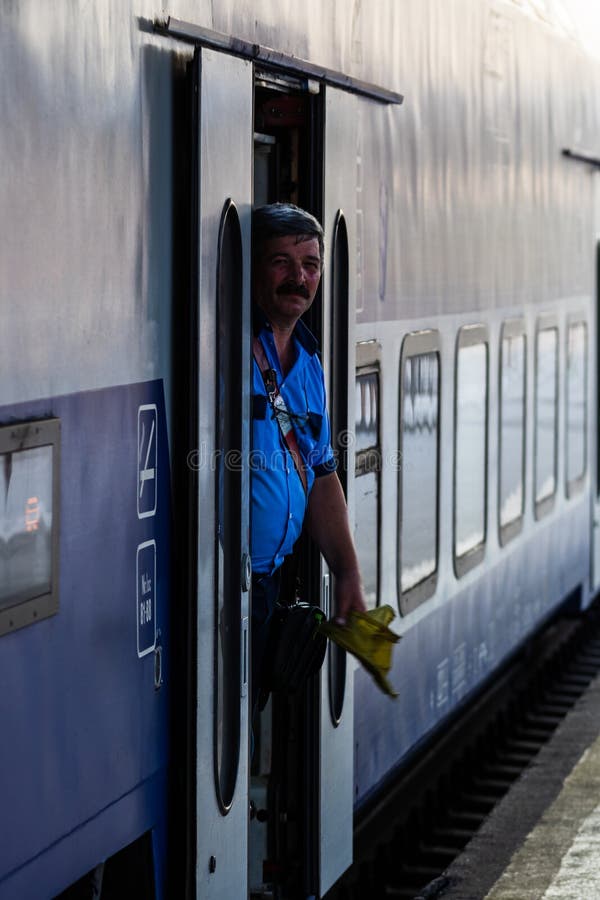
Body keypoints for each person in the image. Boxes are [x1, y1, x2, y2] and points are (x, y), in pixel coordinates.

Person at [250, 202, 367, 714]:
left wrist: (346, 573)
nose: (299, 277)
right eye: (281, 261)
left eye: (311, 265)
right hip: (220, 590)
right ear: (252, 267)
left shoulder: (309, 360)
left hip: (267, 588)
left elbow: (320, 473)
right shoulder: (224, 351)